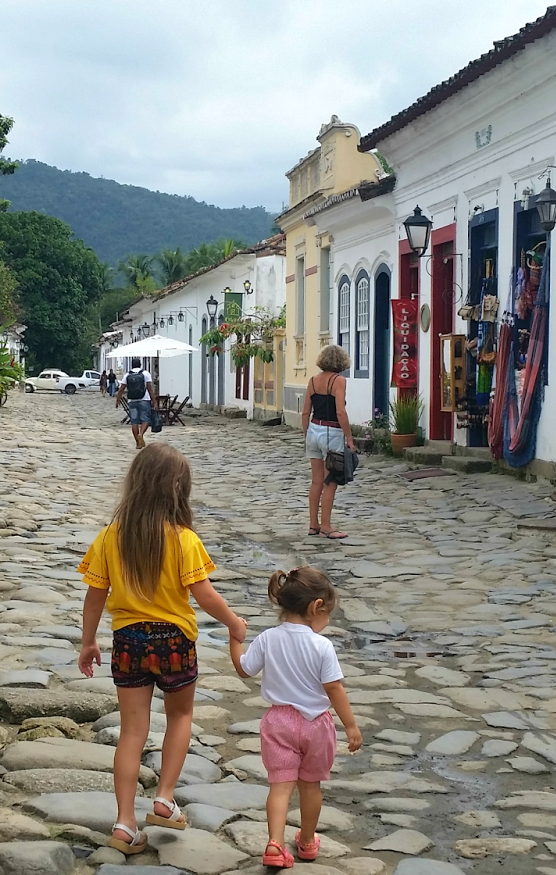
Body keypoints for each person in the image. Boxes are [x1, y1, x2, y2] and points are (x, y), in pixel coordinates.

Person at [77, 443, 249, 855]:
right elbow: (204, 594)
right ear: (177, 489)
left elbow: (95, 596)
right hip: (174, 643)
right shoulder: (184, 539)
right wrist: (234, 623)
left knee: (132, 732)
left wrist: (87, 642)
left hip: (128, 642)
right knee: (181, 716)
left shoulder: (110, 537)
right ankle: (164, 798)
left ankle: (123, 823)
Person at [230, 566, 361, 869]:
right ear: (316, 607)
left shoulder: (267, 638)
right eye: (328, 613)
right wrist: (351, 726)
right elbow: (334, 688)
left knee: (280, 786)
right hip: (316, 725)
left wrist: (235, 640)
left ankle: (275, 844)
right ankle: (306, 841)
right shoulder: (321, 646)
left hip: (279, 724)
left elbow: (244, 669)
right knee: (311, 785)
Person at [301, 345, 353, 539]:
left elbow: (306, 411)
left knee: (316, 481)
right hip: (331, 431)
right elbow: (340, 411)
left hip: (314, 429)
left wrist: (307, 433)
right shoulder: (338, 381)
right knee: (330, 481)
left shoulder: (313, 381)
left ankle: (313, 524)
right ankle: (327, 526)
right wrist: (349, 437)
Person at [121, 362, 154, 449]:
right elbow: (149, 388)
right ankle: (141, 434)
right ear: (140, 364)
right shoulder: (145, 373)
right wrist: (154, 401)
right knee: (145, 419)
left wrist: (117, 400)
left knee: (134, 422)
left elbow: (122, 388)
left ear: (131, 365)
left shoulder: (127, 375)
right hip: (144, 399)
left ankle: (138, 443)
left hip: (132, 400)